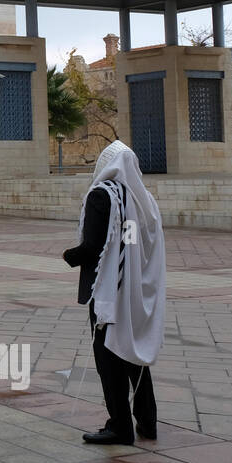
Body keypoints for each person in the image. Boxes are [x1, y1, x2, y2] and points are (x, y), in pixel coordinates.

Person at [62, 140, 167, 445]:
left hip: (108, 292)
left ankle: (119, 426)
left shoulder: (101, 195)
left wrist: (69, 256)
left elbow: (92, 248)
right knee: (133, 356)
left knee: (108, 359)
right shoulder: (145, 200)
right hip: (137, 291)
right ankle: (147, 421)